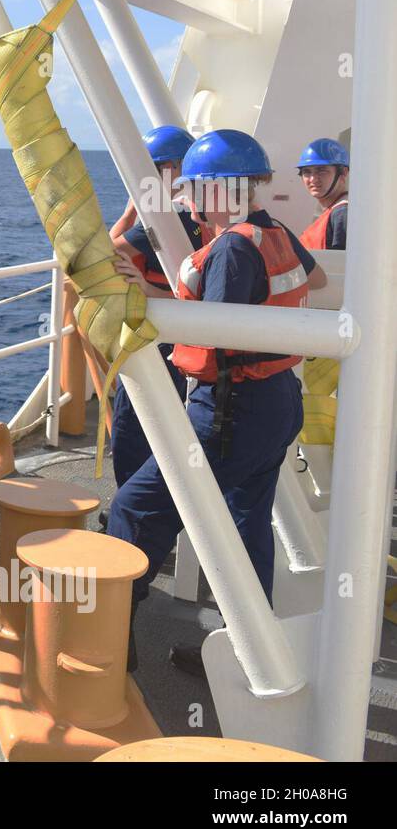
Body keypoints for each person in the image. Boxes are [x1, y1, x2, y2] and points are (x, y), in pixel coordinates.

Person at [109, 130, 326, 677]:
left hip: (230, 412)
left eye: (196, 188)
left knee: (135, 506)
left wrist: (145, 290)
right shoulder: (274, 232)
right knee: (246, 520)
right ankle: (249, 655)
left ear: (224, 189)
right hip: (277, 404)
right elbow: (316, 279)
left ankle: (106, 632)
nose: (189, 199)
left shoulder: (232, 247)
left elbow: (214, 330)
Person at [108, 125, 206, 490]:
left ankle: (133, 515)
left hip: (157, 335)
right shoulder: (199, 212)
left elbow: (105, 253)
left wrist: (132, 207)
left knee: (135, 426)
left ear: (179, 168)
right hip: (185, 336)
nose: (145, 176)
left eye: (154, 167)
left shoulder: (169, 215)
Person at [296, 137, 349, 251]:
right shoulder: (333, 212)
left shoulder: (342, 213)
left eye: (322, 170)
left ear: (343, 173)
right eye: (307, 172)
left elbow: (341, 266)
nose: (313, 179)